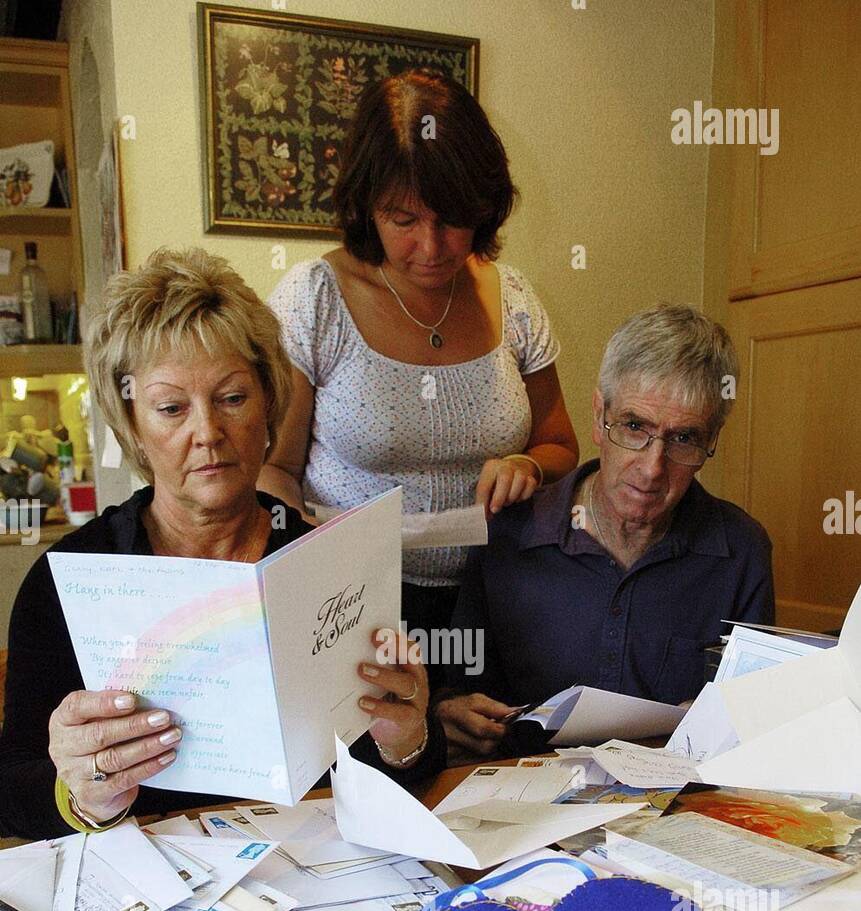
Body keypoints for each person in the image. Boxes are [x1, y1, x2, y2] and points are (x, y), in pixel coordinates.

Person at [0, 249, 441, 842]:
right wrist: (82, 794)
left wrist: (409, 744)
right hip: (155, 894)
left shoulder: (334, 564)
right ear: (132, 424)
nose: (207, 432)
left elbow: (396, 780)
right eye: (171, 408)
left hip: (317, 882)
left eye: (232, 398)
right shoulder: (70, 578)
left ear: (269, 405)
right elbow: (12, 792)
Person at [261, 69, 579, 654]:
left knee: (487, 739)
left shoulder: (512, 298)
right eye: (403, 221)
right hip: (350, 599)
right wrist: (304, 553)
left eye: (452, 220)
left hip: (495, 592)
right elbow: (274, 471)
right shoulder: (315, 299)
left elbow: (561, 446)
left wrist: (526, 466)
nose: (431, 249)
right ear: (365, 207)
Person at [437, 304, 775, 759]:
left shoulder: (742, 550)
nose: (652, 468)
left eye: (683, 439)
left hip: (675, 805)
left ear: (711, 440)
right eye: (635, 427)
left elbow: (755, 723)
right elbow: (456, 689)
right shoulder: (509, 535)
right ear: (599, 417)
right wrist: (451, 713)